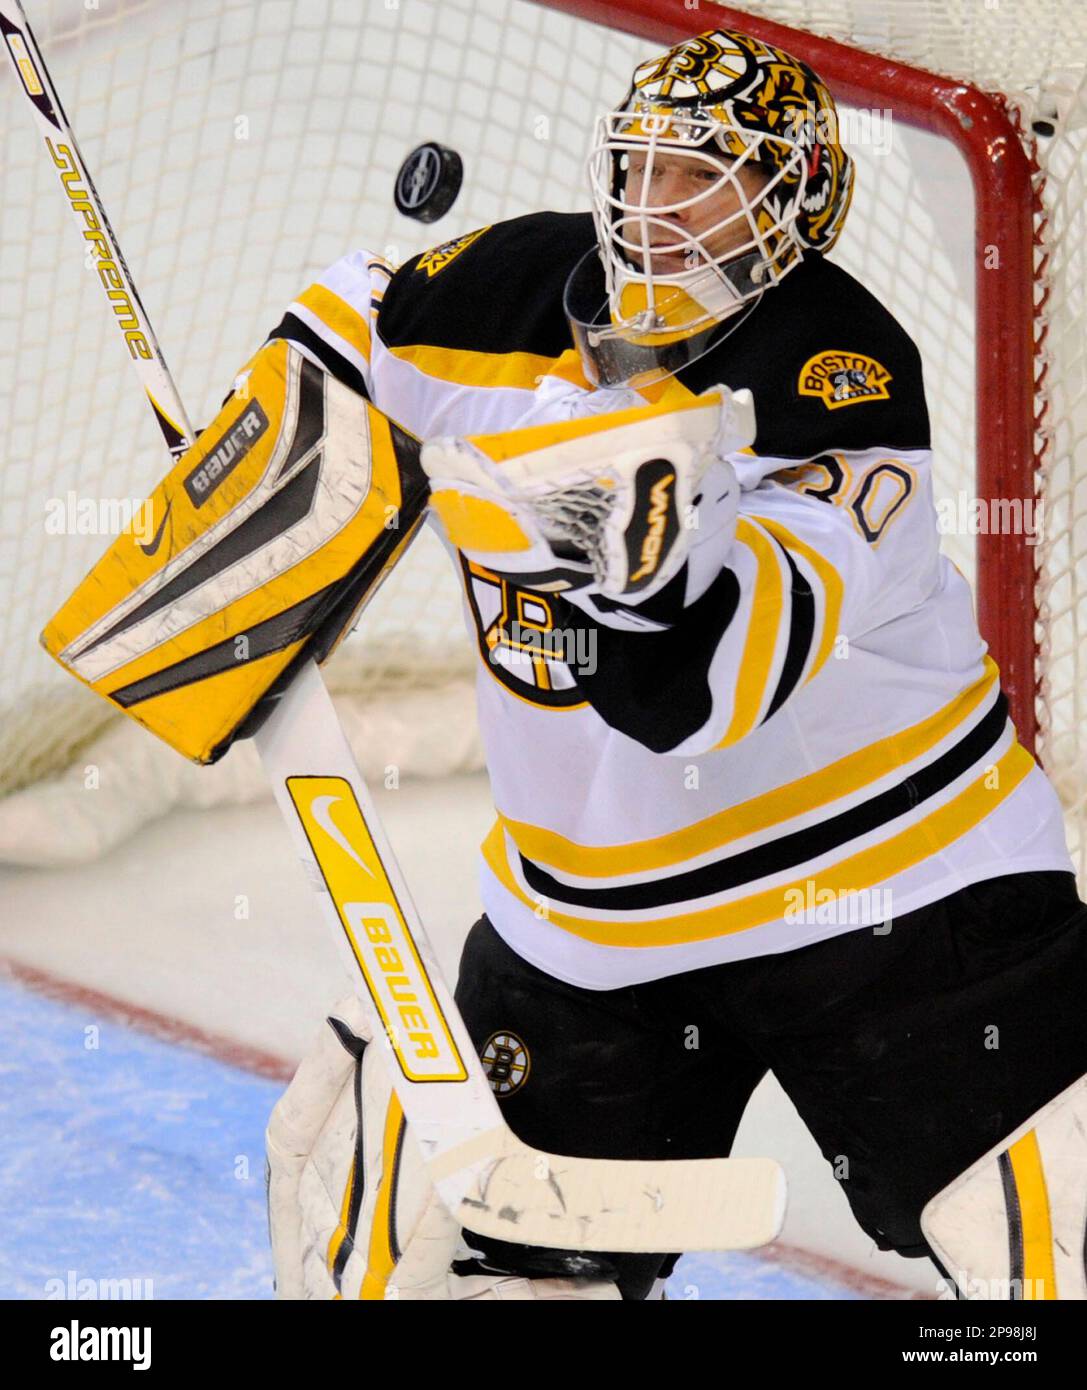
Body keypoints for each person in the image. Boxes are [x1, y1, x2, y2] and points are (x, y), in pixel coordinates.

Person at [265, 27, 1087, 1300]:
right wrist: (272, 437)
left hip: (899, 888)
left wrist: (614, 544)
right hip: (592, 925)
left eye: (701, 176)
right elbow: (359, 325)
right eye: (638, 170)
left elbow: (697, 693)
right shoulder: (504, 295)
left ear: (794, 199)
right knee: (458, 1282)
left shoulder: (838, 374)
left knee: (1050, 1251)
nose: (655, 209)